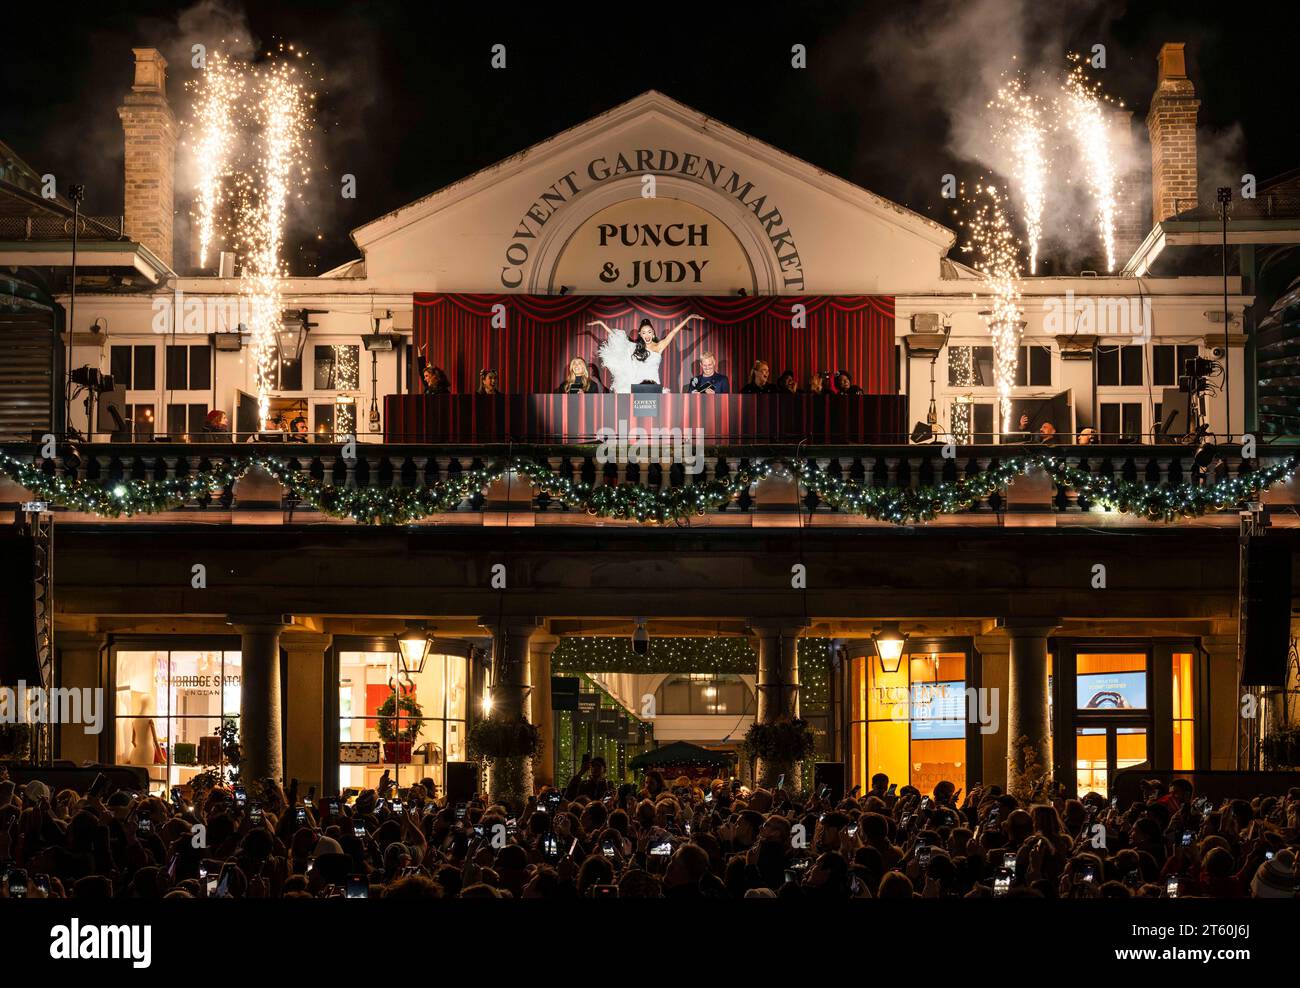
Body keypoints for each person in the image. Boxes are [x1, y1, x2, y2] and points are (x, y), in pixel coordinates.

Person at [590, 315, 702, 394]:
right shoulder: (634, 347)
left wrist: (689, 318)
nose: (647, 335)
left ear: (653, 333)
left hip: (654, 385)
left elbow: (673, 333)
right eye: (643, 332)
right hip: (636, 386)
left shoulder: (659, 346)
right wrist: (601, 323)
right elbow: (617, 338)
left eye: (649, 332)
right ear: (640, 334)